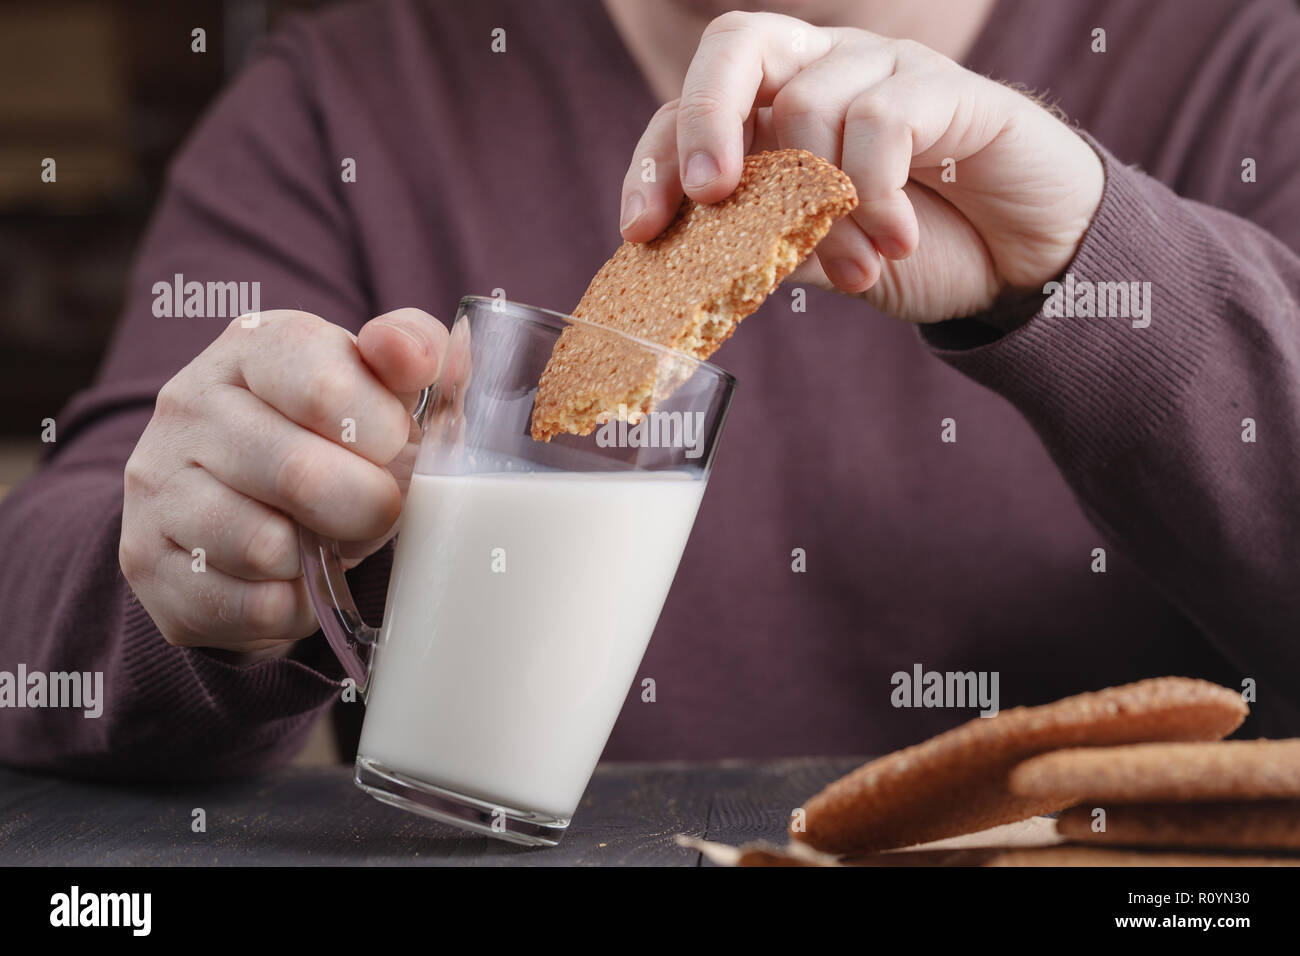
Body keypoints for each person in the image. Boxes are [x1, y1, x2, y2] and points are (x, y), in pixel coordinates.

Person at [1, 0, 1297, 781]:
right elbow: (35, 637)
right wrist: (201, 571)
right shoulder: (341, 104)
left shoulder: (1252, 67)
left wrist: (1096, 261)